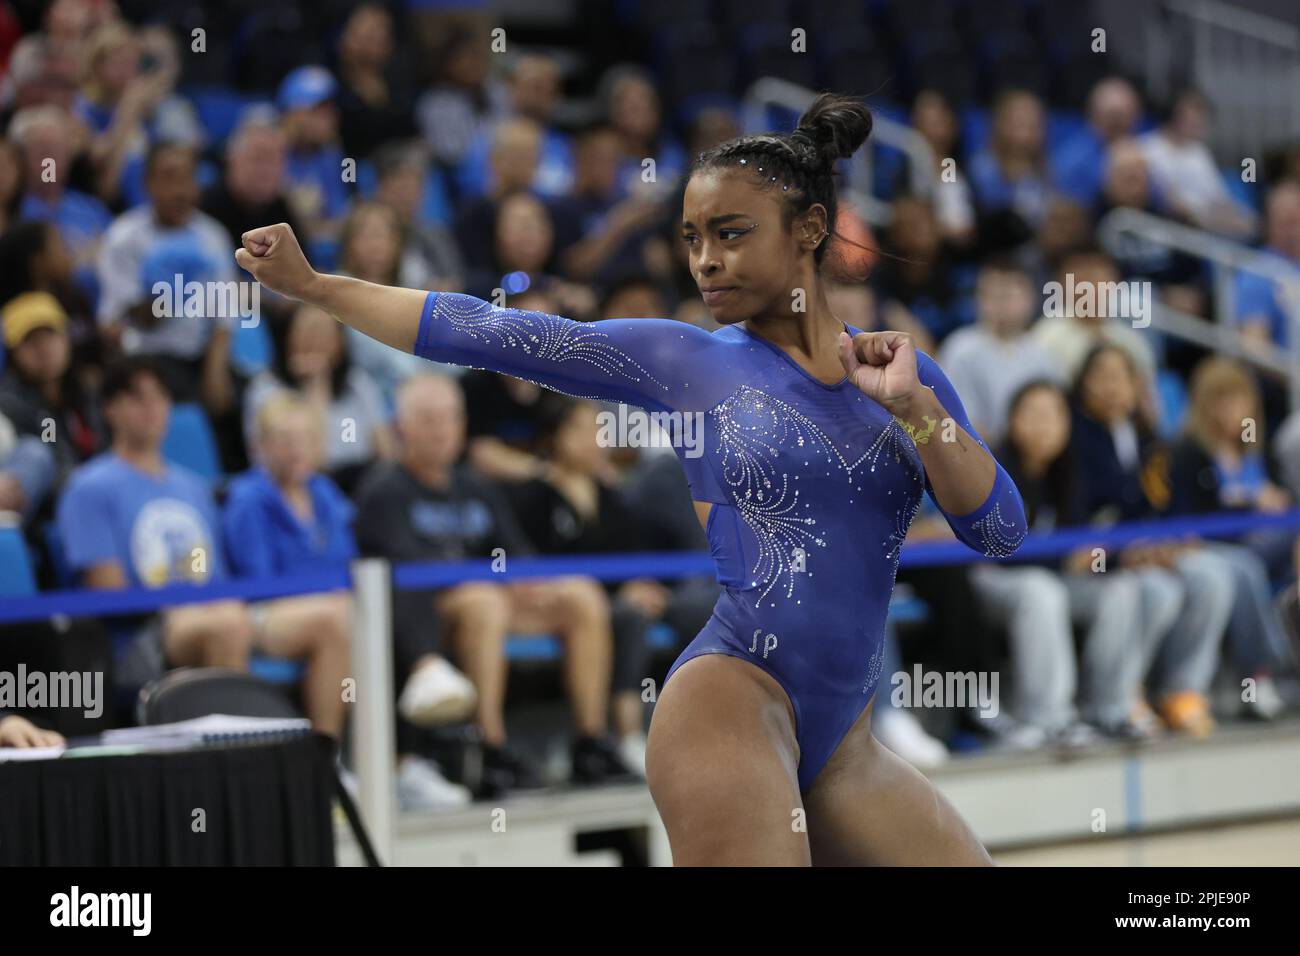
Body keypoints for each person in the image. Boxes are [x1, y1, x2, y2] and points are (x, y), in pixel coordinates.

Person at [234, 92, 1030, 866]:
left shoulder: (904, 374)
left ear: (810, 230)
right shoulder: (687, 361)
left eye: (730, 232)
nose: (705, 259)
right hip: (730, 701)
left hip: (845, 740)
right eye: (691, 237)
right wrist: (315, 287)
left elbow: (998, 531)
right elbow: (490, 332)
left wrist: (920, 411)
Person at [353, 373, 634, 794]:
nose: (442, 429)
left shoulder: (474, 485)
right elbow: (412, 571)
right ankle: (489, 747)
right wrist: (496, 582)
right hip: (422, 619)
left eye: (450, 418)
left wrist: (525, 581)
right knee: (484, 602)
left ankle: (590, 743)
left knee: (580, 594)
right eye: (429, 419)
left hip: (489, 598)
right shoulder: (384, 490)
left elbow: (517, 552)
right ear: (402, 426)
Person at [55, 356, 352, 737]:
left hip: (220, 614)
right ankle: (246, 765)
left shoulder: (193, 486)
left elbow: (215, 575)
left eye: (159, 398)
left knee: (333, 620)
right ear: (110, 409)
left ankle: (325, 762)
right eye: (137, 399)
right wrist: (194, 605)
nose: (151, 409)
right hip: (144, 633)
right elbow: (107, 591)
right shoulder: (90, 487)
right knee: (228, 623)